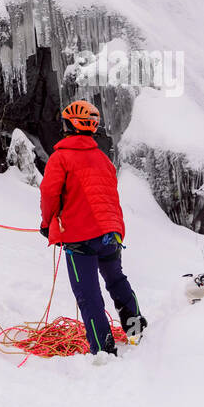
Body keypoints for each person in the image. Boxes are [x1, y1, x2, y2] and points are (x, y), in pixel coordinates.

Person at [40, 99, 147, 358]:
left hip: (80, 238)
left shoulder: (60, 157)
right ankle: (135, 329)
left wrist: (47, 224)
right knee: (116, 280)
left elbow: (49, 194)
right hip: (111, 232)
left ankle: (102, 348)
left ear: (69, 125)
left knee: (89, 294)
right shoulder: (102, 158)